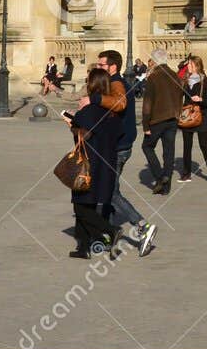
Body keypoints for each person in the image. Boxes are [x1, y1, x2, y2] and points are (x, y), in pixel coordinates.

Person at [95, 50, 157, 257]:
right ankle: (108, 234)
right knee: (107, 191)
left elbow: (118, 104)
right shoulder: (116, 84)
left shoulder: (116, 85)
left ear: (113, 67)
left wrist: (94, 99)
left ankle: (143, 227)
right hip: (121, 145)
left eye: (102, 65)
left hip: (117, 148)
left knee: (110, 193)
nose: (98, 68)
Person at [65, 67, 122, 259]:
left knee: (80, 206)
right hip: (106, 165)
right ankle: (83, 248)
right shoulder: (113, 113)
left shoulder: (88, 111)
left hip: (88, 165)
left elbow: (82, 137)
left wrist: (71, 123)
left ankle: (111, 231)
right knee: (86, 205)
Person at [140, 49, 185, 195]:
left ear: (154, 61)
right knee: (169, 151)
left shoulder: (154, 77)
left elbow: (147, 103)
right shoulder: (175, 75)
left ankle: (160, 177)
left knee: (147, 146)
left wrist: (146, 124)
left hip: (157, 119)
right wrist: (177, 114)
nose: (151, 63)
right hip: (173, 118)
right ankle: (166, 187)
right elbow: (180, 98)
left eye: (151, 61)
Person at [180, 56, 207, 185]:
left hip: (201, 115)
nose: (188, 66)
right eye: (188, 64)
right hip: (187, 116)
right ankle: (186, 173)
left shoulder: (204, 81)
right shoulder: (185, 79)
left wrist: (200, 100)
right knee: (187, 146)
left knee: (204, 145)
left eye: (190, 64)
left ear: (196, 66)